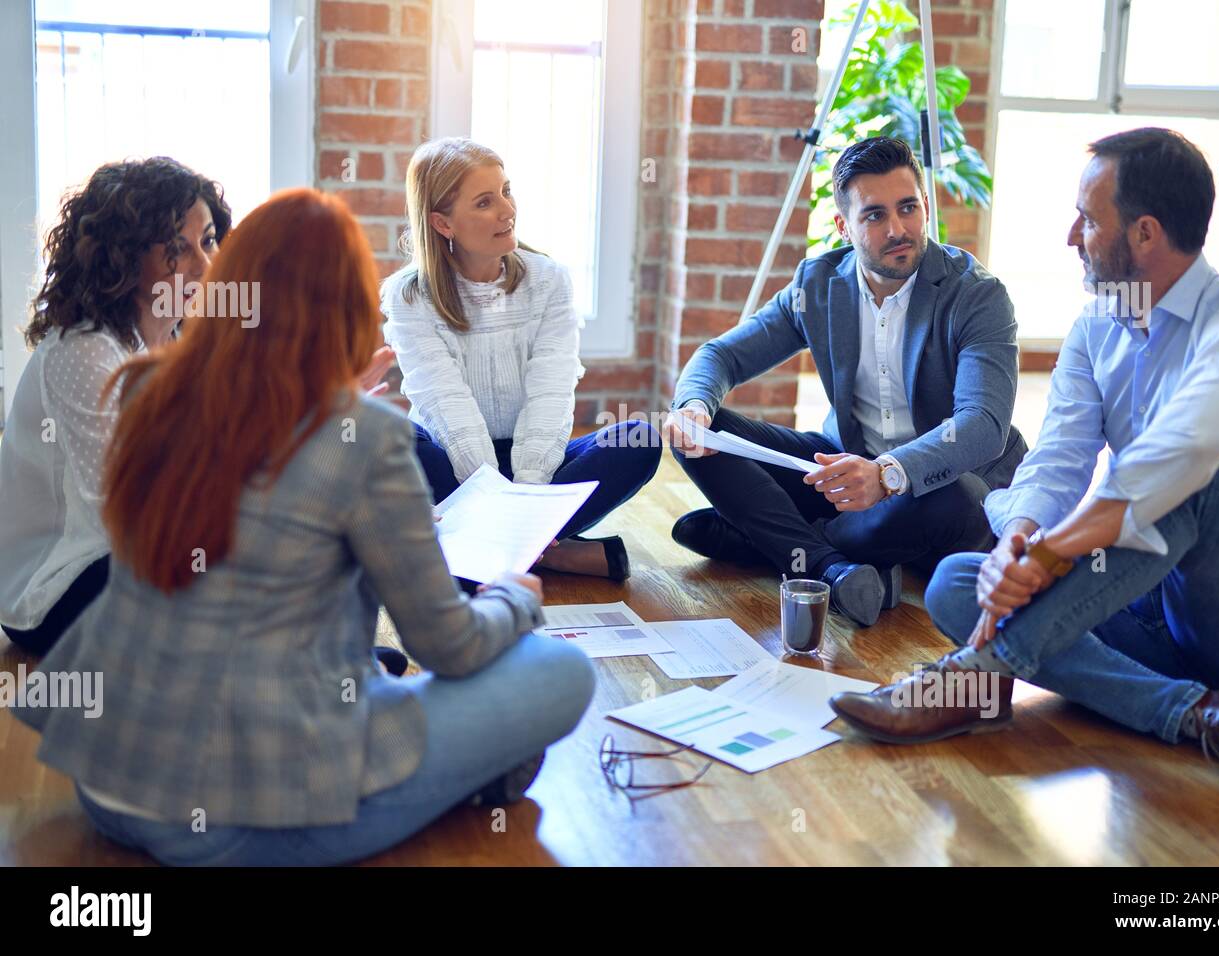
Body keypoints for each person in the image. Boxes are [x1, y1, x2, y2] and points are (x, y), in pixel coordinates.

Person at [11, 189, 595, 865]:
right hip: (237, 823)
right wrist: (514, 596)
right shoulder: (367, 437)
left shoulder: (148, 389)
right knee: (557, 668)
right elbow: (449, 648)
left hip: (109, 790)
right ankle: (457, 776)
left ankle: (444, 759)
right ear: (349, 308)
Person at [830, 128, 1219, 785]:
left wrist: (1054, 556)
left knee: (1193, 481)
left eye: (1086, 219)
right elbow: (1060, 458)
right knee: (960, 583)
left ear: (1144, 234)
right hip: (1142, 603)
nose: (1071, 237)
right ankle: (1205, 718)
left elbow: (1178, 459)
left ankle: (976, 675)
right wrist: (1019, 545)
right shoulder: (1095, 328)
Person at [663, 136, 1026, 627]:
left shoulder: (976, 294)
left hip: (941, 485)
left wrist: (886, 474)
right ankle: (831, 565)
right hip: (843, 471)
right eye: (874, 215)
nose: (898, 229)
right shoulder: (819, 283)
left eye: (908, 208)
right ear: (843, 225)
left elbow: (982, 425)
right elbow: (721, 355)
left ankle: (768, 540)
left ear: (924, 206)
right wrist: (694, 407)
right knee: (702, 435)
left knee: (954, 499)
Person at [381, 137, 661, 581]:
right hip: (455, 466)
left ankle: (481, 552)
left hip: (536, 463)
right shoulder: (408, 295)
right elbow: (444, 403)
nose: (507, 210)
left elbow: (550, 392)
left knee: (640, 439)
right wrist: (493, 501)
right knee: (389, 436)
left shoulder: (549, 280)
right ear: (443, 223)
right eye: (485, 202)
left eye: (507, 191)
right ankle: (553, 554)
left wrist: (525, 501)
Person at [0, 157, 230, 656]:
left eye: (208, 240)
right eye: (176, 249)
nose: (205, 266)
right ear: (124, 258)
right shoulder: (82, 350)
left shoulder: (176, 339)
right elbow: (129, 513)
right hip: (58, 586)